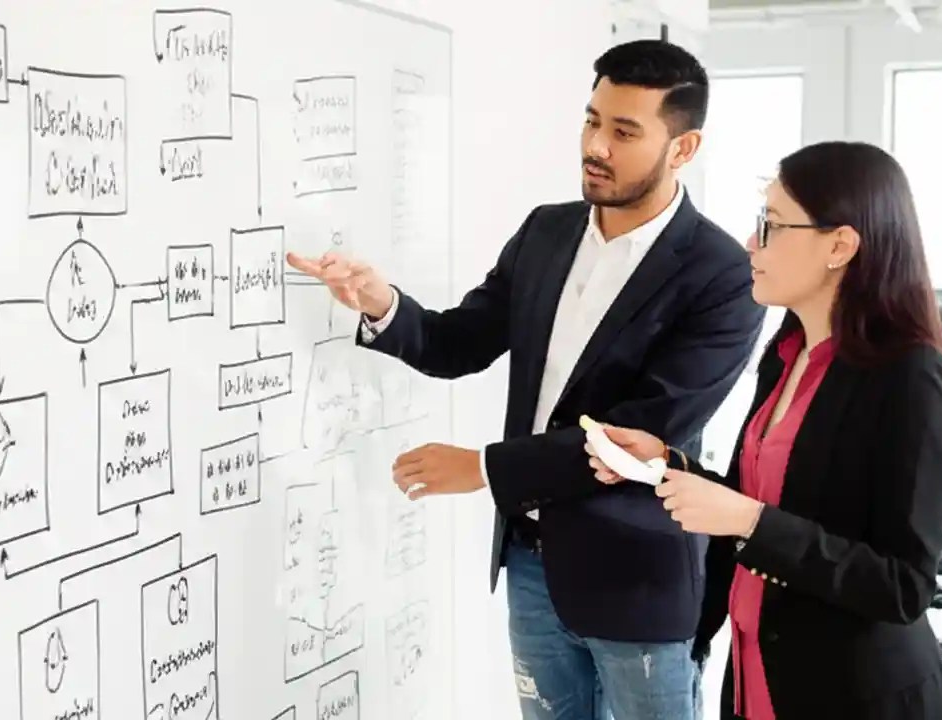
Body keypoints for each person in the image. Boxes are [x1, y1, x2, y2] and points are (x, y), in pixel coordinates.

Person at [288, 39, 765, 720]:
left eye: (624, 131)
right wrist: (380, 302)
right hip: (533, 563)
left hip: (637, 576)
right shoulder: (546, 232)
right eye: (592, 120)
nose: (596, 145)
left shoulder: (721, 275)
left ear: (683, 149)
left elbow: (638, 435)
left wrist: (483, 468)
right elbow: (458, 342)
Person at [586, 141, 942, 720]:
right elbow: (762, 496)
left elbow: (903, 585)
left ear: (840, 244)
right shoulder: (785, 355)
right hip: (757, 678)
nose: (750, 244)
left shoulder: (908, 375)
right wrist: (667, 464)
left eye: (771, 224)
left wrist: (747, 523)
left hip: (856, 696)